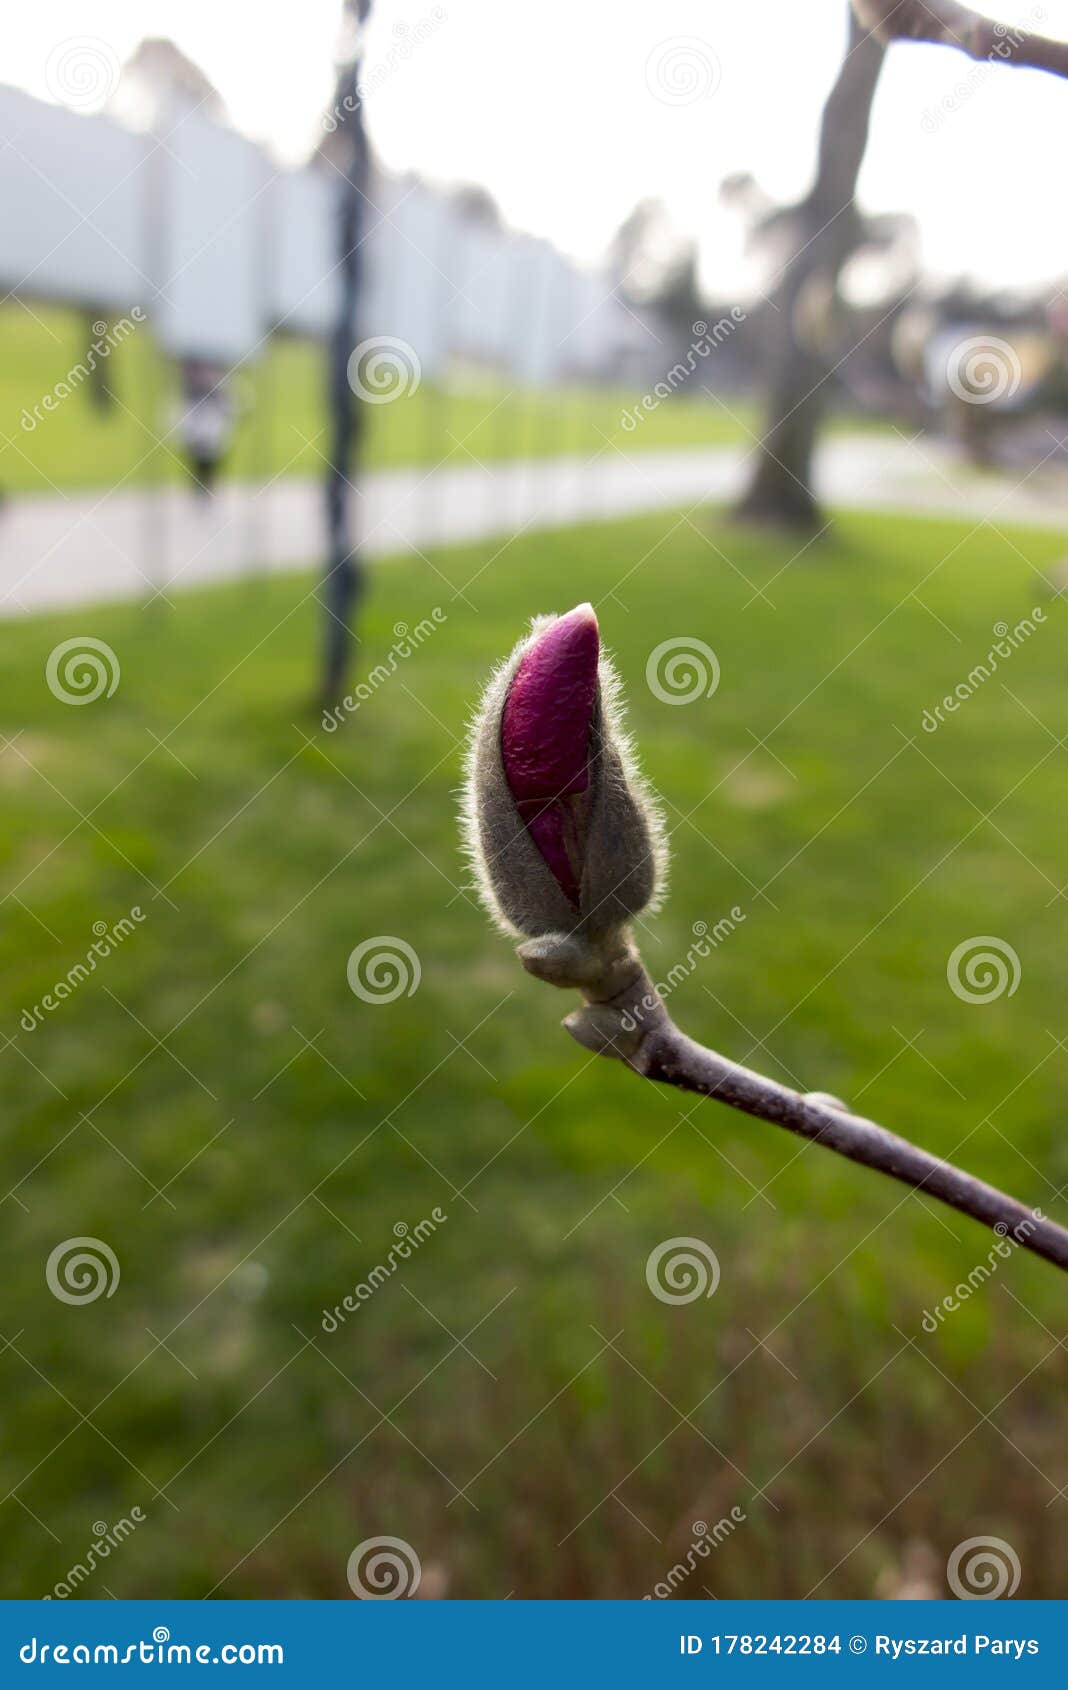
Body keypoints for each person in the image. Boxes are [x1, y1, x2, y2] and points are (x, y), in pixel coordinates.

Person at [176, 358, 234, 494]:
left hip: (212, 417)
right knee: (196, 455)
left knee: (212, 455)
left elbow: (224, 394)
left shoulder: (217, 370)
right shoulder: (189, 370)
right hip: (196, 415)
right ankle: (199, 486)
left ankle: (209, 486)